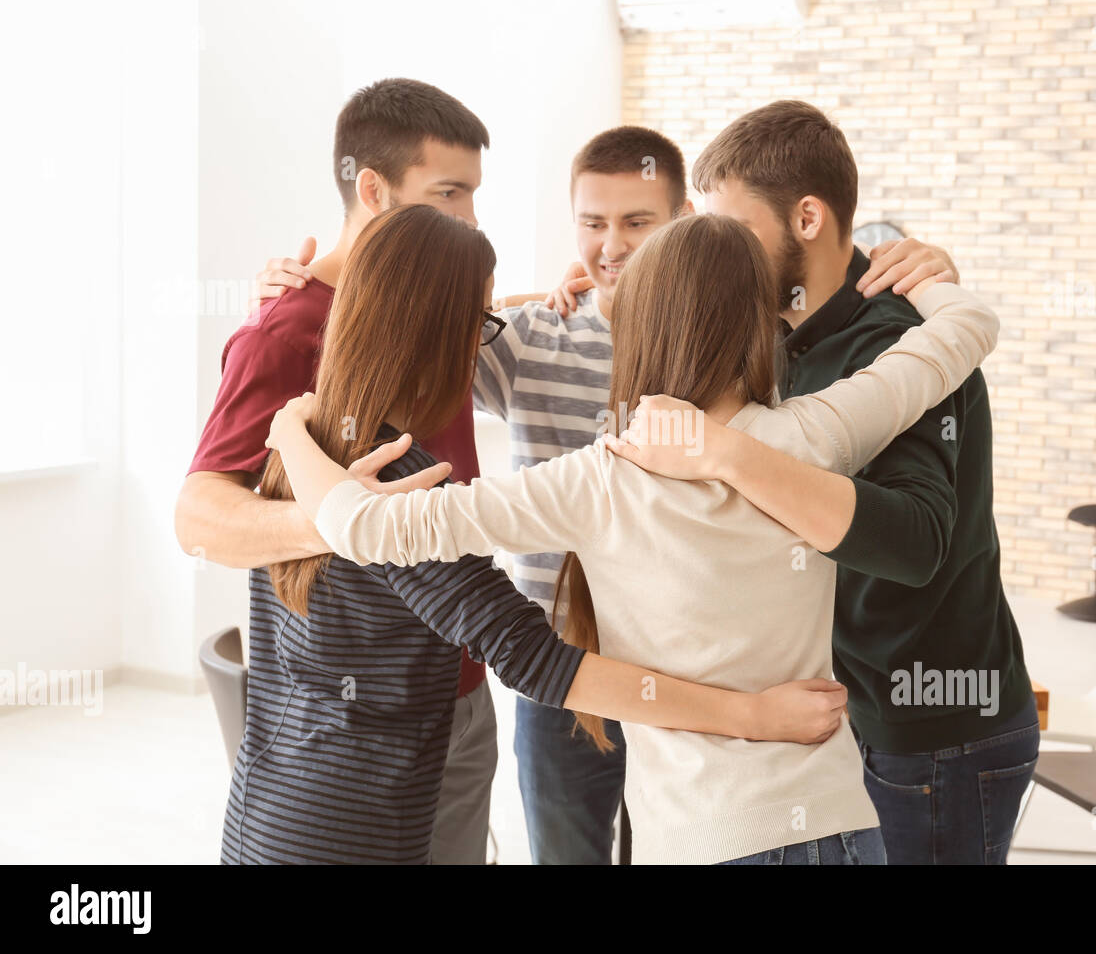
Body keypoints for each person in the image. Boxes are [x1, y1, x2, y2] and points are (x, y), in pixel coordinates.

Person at [253, 123, 957, 864]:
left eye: (637, 225)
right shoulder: (534, 352)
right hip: (582, 693)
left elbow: (417, 327)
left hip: (682, 746)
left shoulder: (608, 454)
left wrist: (287, 427)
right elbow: (434, 314)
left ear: (682, 222)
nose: (612, 245)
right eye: (593, 223)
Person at [609, 100, 1039, 865]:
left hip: (932, 733)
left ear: (807, 217)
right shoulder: (777, 336)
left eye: (734, 234)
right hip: (849, 720)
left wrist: (731, 459)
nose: (719, 258)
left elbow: (916, 541)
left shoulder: (900, 341)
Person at [175, 78, 502, 863]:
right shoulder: (285, 334)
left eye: (473, 196)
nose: (468, 218)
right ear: (372, 189)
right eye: (447, 193)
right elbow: (199, 519)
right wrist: (351, 517)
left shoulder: (439, 305)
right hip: (355, 724)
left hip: (458, 696)